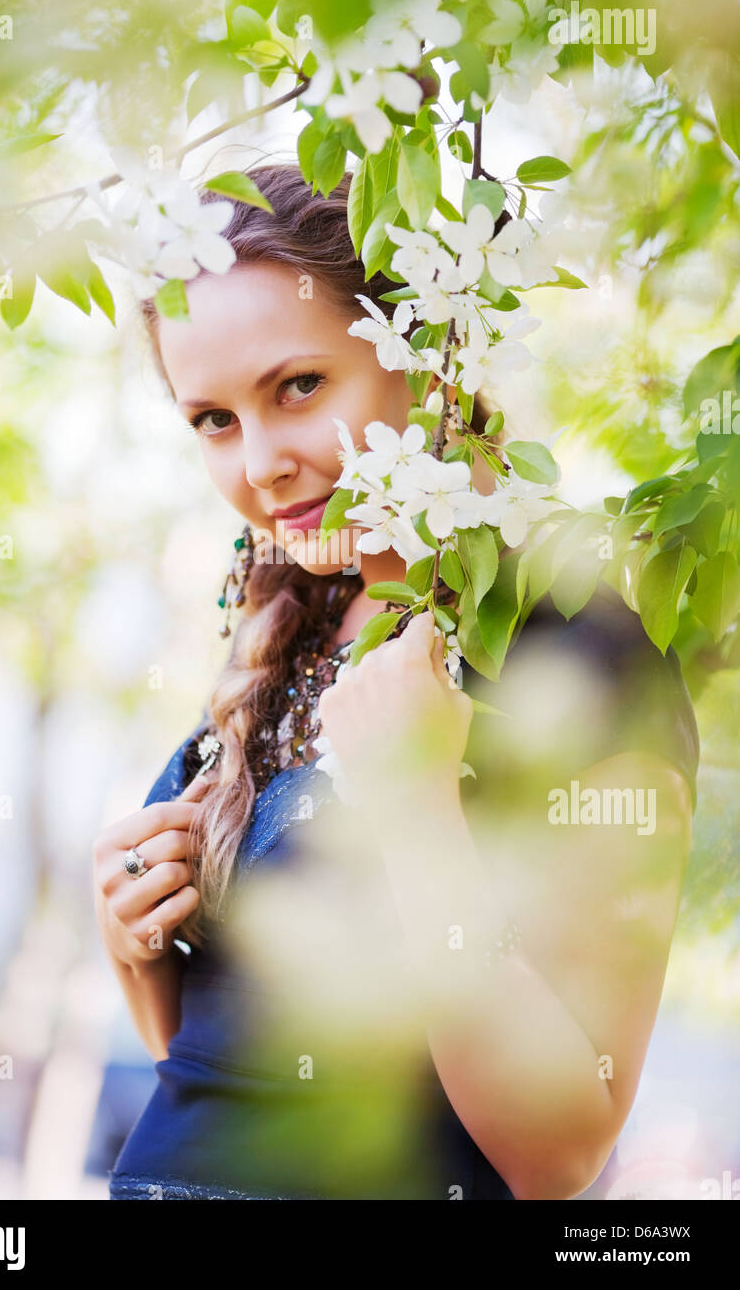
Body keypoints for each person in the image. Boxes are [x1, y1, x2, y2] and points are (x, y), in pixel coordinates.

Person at [94, 163, 699, 1200]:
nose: (263, 464)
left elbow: (557, 1152)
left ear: (427, 352)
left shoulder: (578, 653)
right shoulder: (291, 621)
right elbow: (204, 1073)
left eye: (296, 386)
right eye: (212, 419)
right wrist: (136, 946)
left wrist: (418, 809)